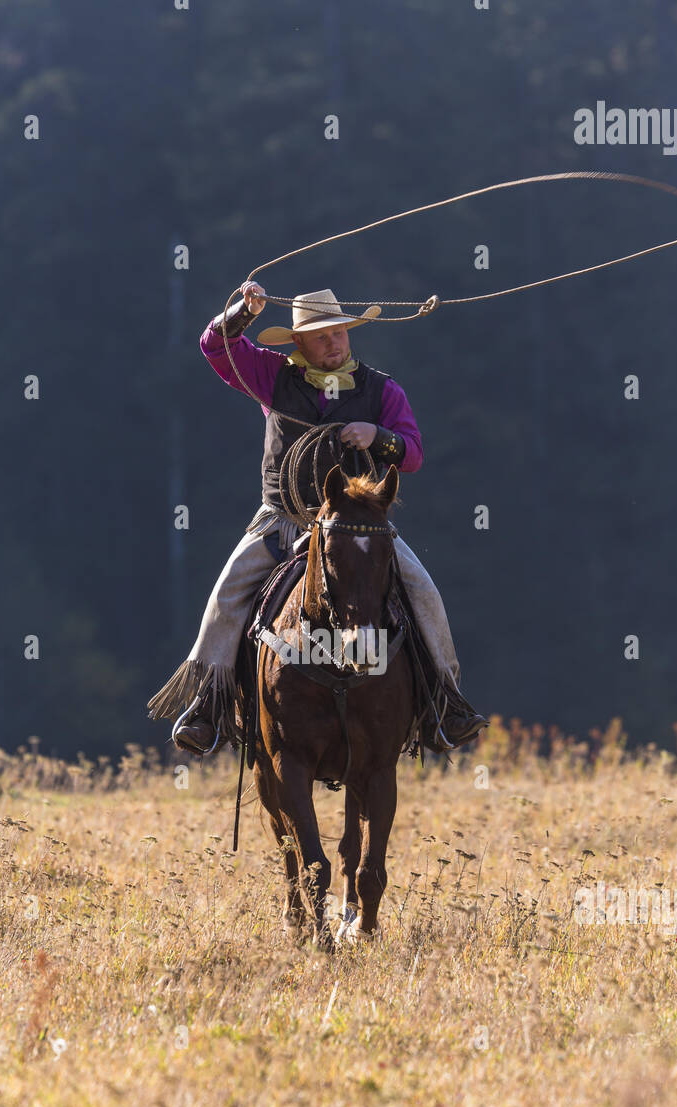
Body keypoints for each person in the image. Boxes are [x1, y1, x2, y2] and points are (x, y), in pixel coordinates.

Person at [148, 281, 486, 753]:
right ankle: (210, 707)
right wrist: (244, 312)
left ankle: (444, 704)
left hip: (357, 527)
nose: (334, 342)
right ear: (299, 343)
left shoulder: (382, 390)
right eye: (322, 336)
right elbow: (215, 347)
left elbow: (411, 456)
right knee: (226, 598)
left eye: (340, 333)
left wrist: (377, 435)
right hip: (280, 520)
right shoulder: (271, 375)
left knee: (423, 594)